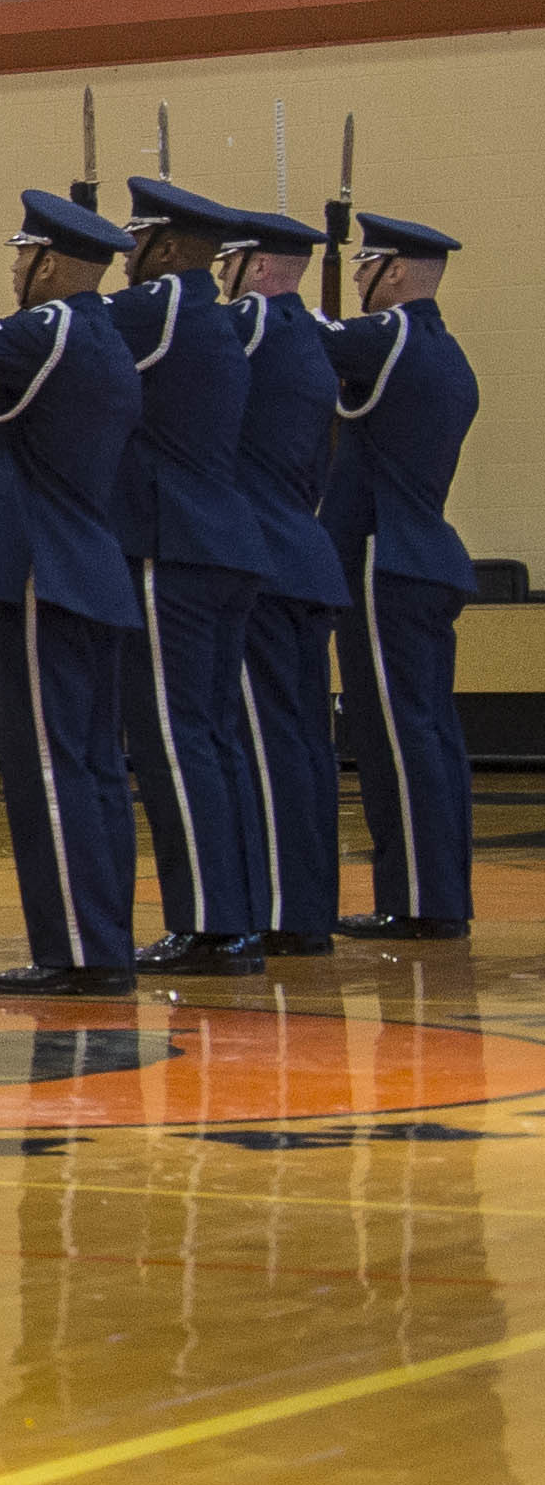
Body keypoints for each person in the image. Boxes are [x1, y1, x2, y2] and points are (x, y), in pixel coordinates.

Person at [0, 186, 148, 995]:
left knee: (50, 771)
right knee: (91, 769)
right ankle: (103, 941)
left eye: (23, 256)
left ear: (50, 261)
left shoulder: (57, 327)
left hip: (44, 570)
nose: (18, 269)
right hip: (86, 570)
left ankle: (76, 953)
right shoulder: (99, 336)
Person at [107, 176, 282, 972]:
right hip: (221, 542)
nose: (124, 252)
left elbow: (63, 342)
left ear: (168, 248)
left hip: (171, 542)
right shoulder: (207, 315)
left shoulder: (161, 306)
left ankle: (209, 926)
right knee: (212, 740)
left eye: (135, 238)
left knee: (173, 738)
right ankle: (234, 912)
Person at [324, 208, 477, 939]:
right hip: (424, 556)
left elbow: (299, 342)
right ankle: (435, 894)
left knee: (398, 737)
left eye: (365, 265)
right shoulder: (447, 352)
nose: (357, 277)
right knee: (429, 733)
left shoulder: (393, 338)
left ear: (396, 272)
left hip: (387, 556)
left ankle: (416, 902)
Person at [216, 197, 353, 955]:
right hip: (303, 552)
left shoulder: (258, 324)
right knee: (300, 744)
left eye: (225, 261)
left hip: (262, 558)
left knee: (265, 741)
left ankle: (278, 912)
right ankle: (304, 901)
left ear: (257, 266)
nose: (217, 277)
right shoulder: (310, 338)